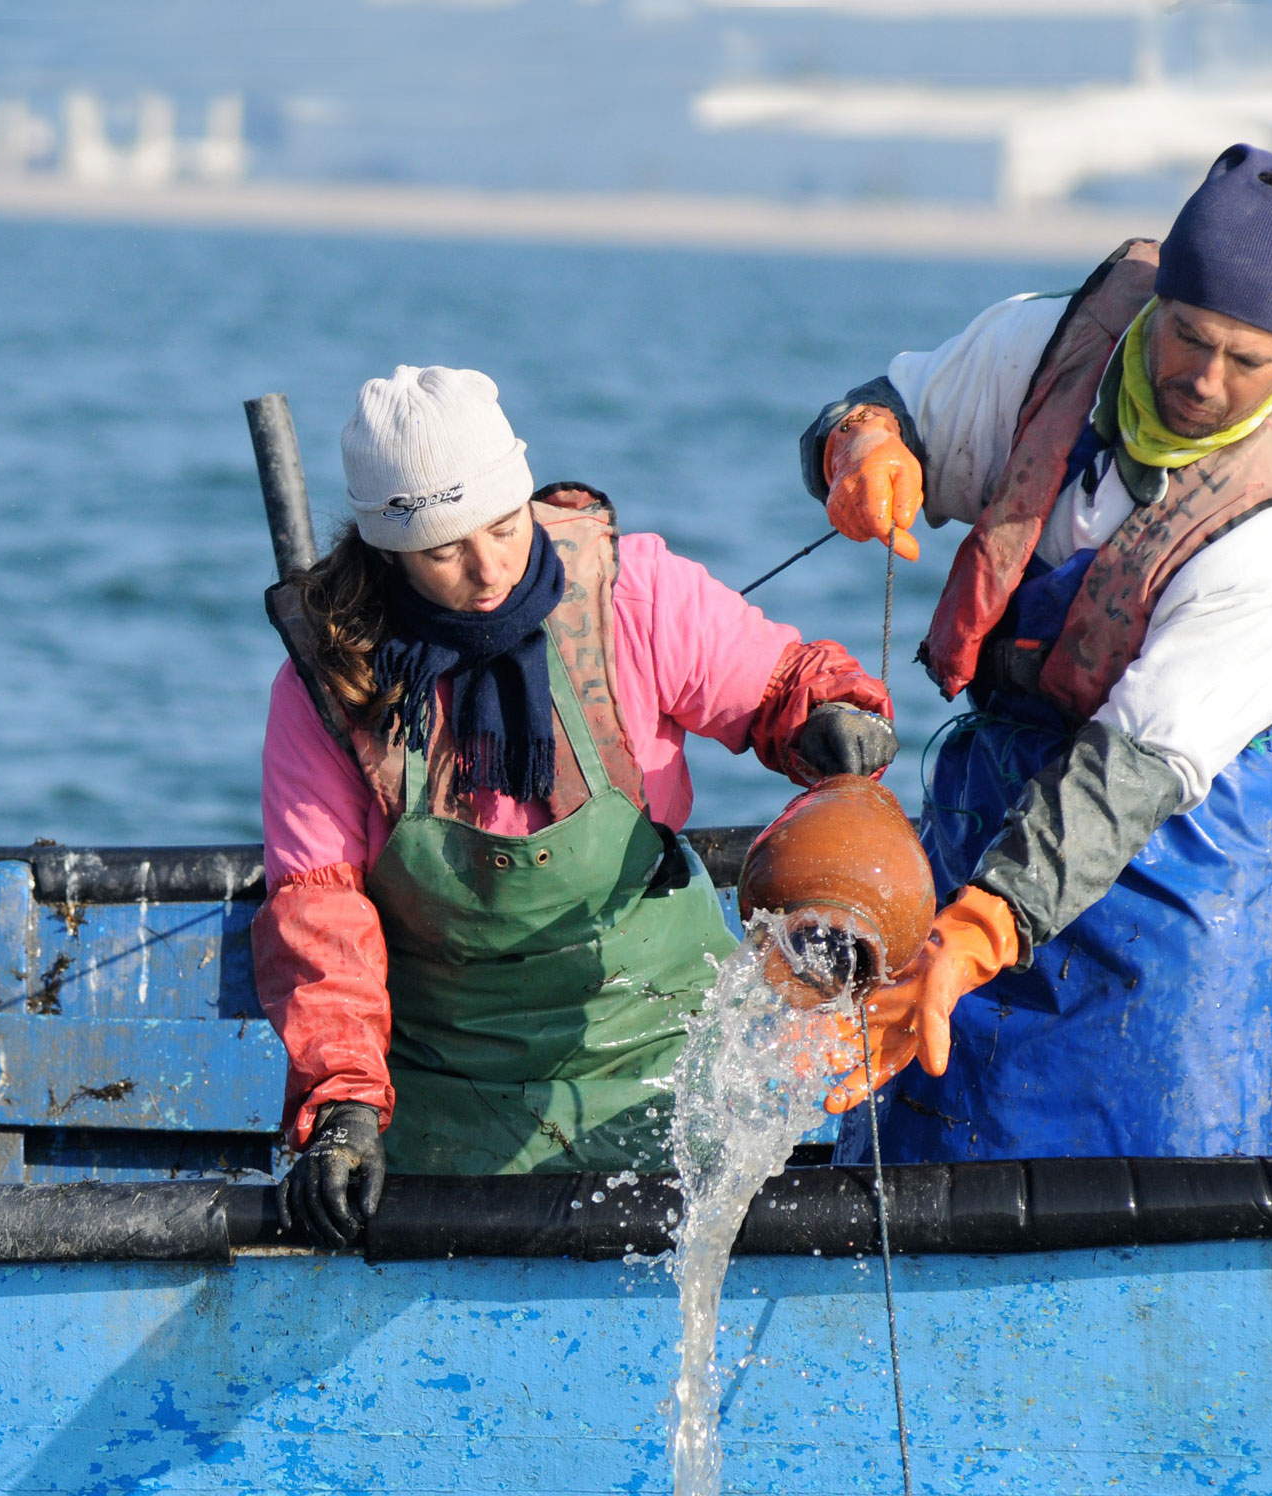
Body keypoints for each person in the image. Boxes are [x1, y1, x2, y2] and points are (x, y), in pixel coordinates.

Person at [807, 144, 1272, 1160]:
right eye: (1187, 336)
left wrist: (982, 927)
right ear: (1160, 300)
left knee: (1155, 1181)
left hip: (1169, 871)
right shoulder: (1044, 344)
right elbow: (893, 406)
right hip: (984, 812)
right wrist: (861, 447)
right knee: (918, 1145)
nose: (1201, 379)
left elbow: (1128, 773)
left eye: (1245, 362)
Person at [255, 364, 898, 1245]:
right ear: (386, 551)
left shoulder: (629, 591)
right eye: (444, 550)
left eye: (505, 526)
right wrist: (343, 1110)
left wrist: (824, 716)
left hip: (672, 1067)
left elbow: (776, 683)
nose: (488, 569)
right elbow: (318, 914)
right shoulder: (332, 683)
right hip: (451, 1104)